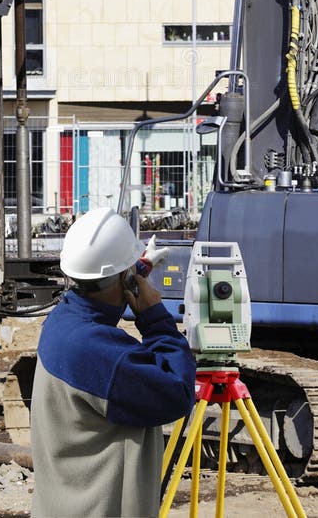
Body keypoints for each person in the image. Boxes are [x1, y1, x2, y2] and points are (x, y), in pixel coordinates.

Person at [31, 206, 197, 518]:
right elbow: (178, 393)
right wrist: (155, 318)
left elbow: (101, 287)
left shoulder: (63, 322)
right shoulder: (103, 353)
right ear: (123, 279)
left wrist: (131, 274)